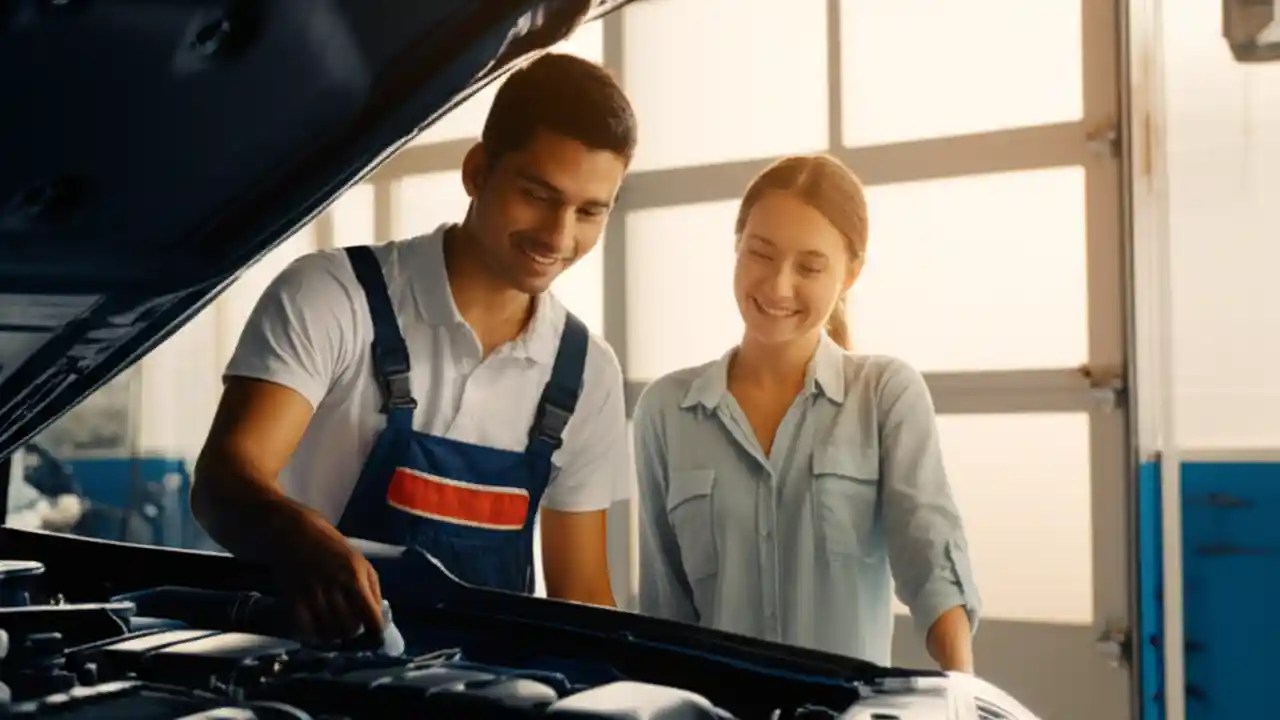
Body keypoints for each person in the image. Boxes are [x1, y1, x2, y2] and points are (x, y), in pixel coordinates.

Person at [191, 52, 637, 645]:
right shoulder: (332, 296)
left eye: (589, 212)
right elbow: (223, 483)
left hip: (484, 688)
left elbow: (580, 594)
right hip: (305, 675)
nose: (559, 235)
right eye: (538, 194)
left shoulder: (586, 373)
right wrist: (297, 537)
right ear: (477, 171)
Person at [633, 155, 981, 672]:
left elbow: (931, 557)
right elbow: (664, 608)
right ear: (737, 247)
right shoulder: (666, 411)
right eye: (760, 254)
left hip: (846, 707)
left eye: (810, 267)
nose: (778, 286)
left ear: (850, 274)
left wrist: (962, 690)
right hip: (713, 705)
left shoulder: (885, 394)